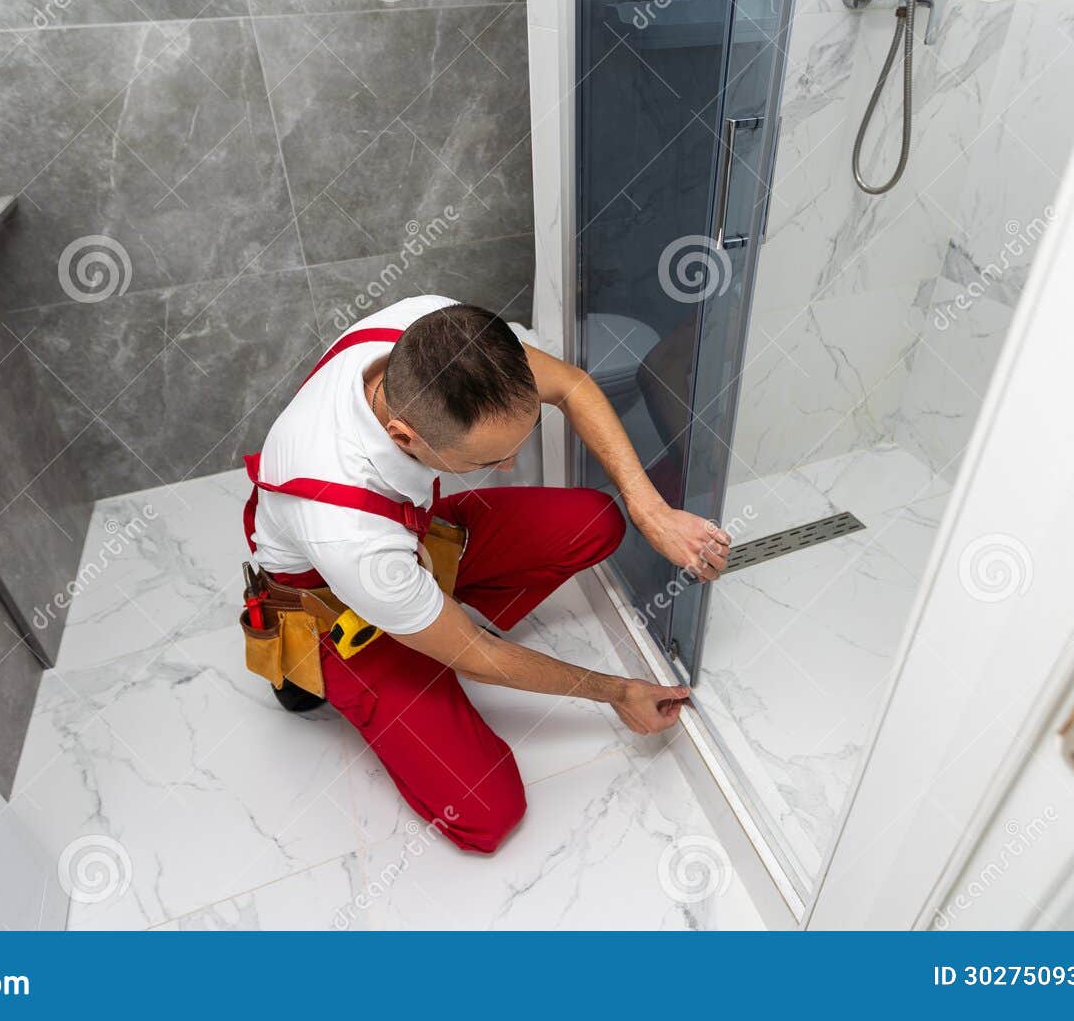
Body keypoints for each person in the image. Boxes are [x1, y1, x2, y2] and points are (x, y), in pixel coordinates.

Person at [247, 296, 730, 853]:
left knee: (596, 521)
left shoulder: (427, 331)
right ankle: (328, 667)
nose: (506, 467)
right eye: (484, 462)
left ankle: (429, 618)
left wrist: (650, 509)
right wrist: (616, 691)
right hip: (336, 602)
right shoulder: (348, 533)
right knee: (485, 815)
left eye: (515, 445)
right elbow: (481, 657)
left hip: (409, 537)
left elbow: (571, 384)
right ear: (404, 436)